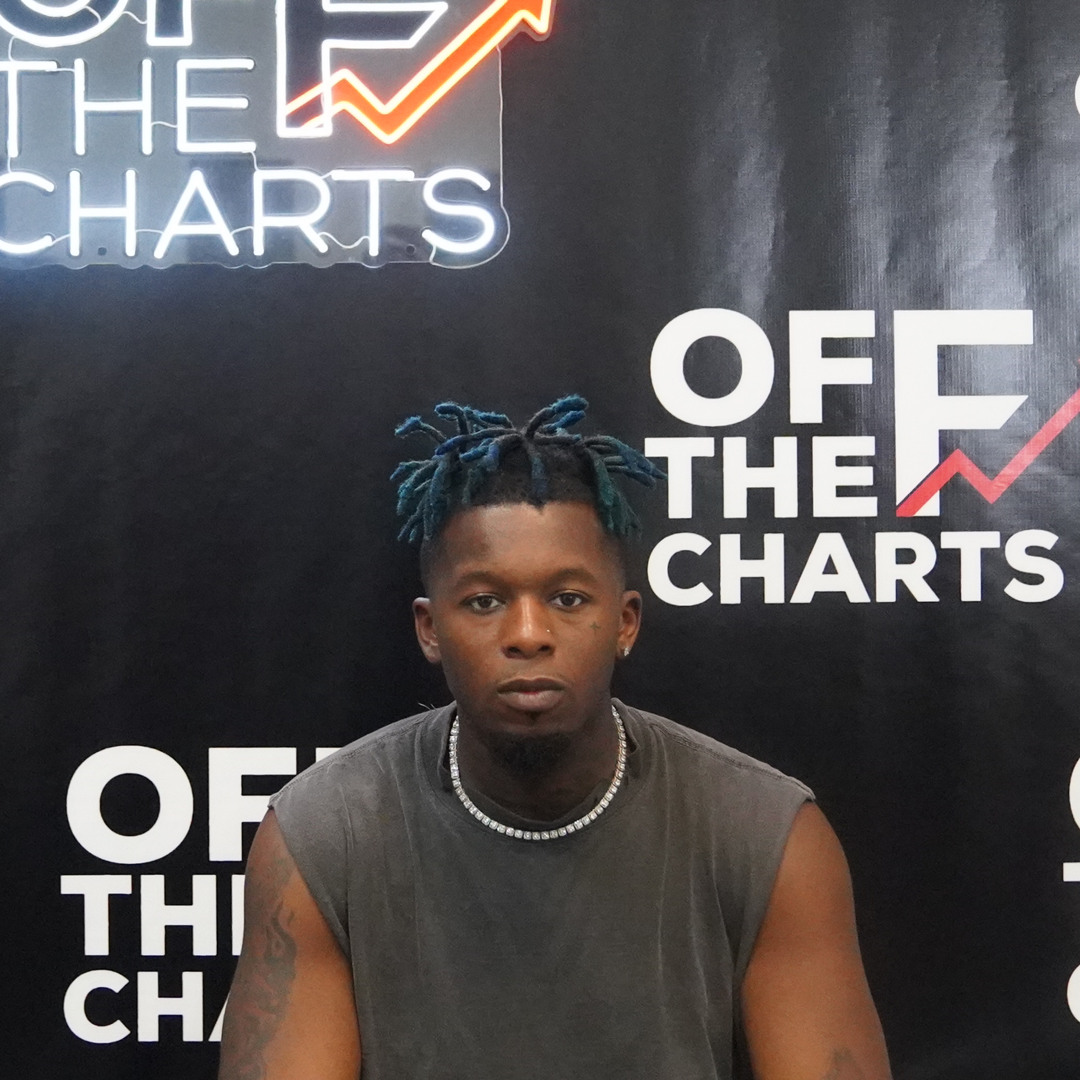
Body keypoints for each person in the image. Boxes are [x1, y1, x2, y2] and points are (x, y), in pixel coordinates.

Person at [218, 396, 891, 1080]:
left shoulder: (766, 833)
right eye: (485, 601)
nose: (528, 635)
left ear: (625, 622)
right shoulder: (322, 834)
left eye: (568, 599)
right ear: (429, 628)